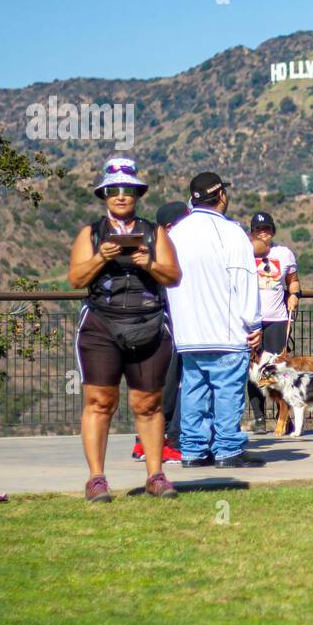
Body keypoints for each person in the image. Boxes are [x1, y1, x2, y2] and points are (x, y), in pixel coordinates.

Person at [68, 157, 181, 502]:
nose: (121, 196)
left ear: (137, 194)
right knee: (100, 401)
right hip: (102, 323)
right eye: (114, 190)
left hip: (147, 322)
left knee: (148, 402)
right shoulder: (90, 234)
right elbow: (76, 279)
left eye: (128, 190)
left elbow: (174, 276)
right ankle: (96, 479)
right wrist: (101, 256)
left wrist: (148, 262)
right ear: (104, 194)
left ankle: (155, 475)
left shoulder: (154, 232)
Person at [166, 172, 266, 468]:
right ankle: (227, 449)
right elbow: (244, 279)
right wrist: (254, 323)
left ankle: (194, 450)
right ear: (221, 195)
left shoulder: (175, 234)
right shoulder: (232, 232)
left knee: (194, 390)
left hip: (188, 333)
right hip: (226, 331)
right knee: (227, 392)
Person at [130, 200, 190, 465]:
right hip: (166, 325)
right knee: (169, 384)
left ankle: (146, 440)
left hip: (159, 324)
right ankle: (164, 440)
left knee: (162, 384)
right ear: (169, 227)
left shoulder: (157, 251)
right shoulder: (162, 253)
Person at [245, 210, 300, 434]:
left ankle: (283, 416)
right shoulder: (244, 252)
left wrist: (295, 294)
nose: (263, 233)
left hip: (277, 318)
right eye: (258, 229)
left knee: (279, 370)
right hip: (251, 319)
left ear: (273, 230)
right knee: (254, 371)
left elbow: (293, 281)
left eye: (267, 228)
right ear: (252, 232)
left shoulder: (284, 253)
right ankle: (259, 417)